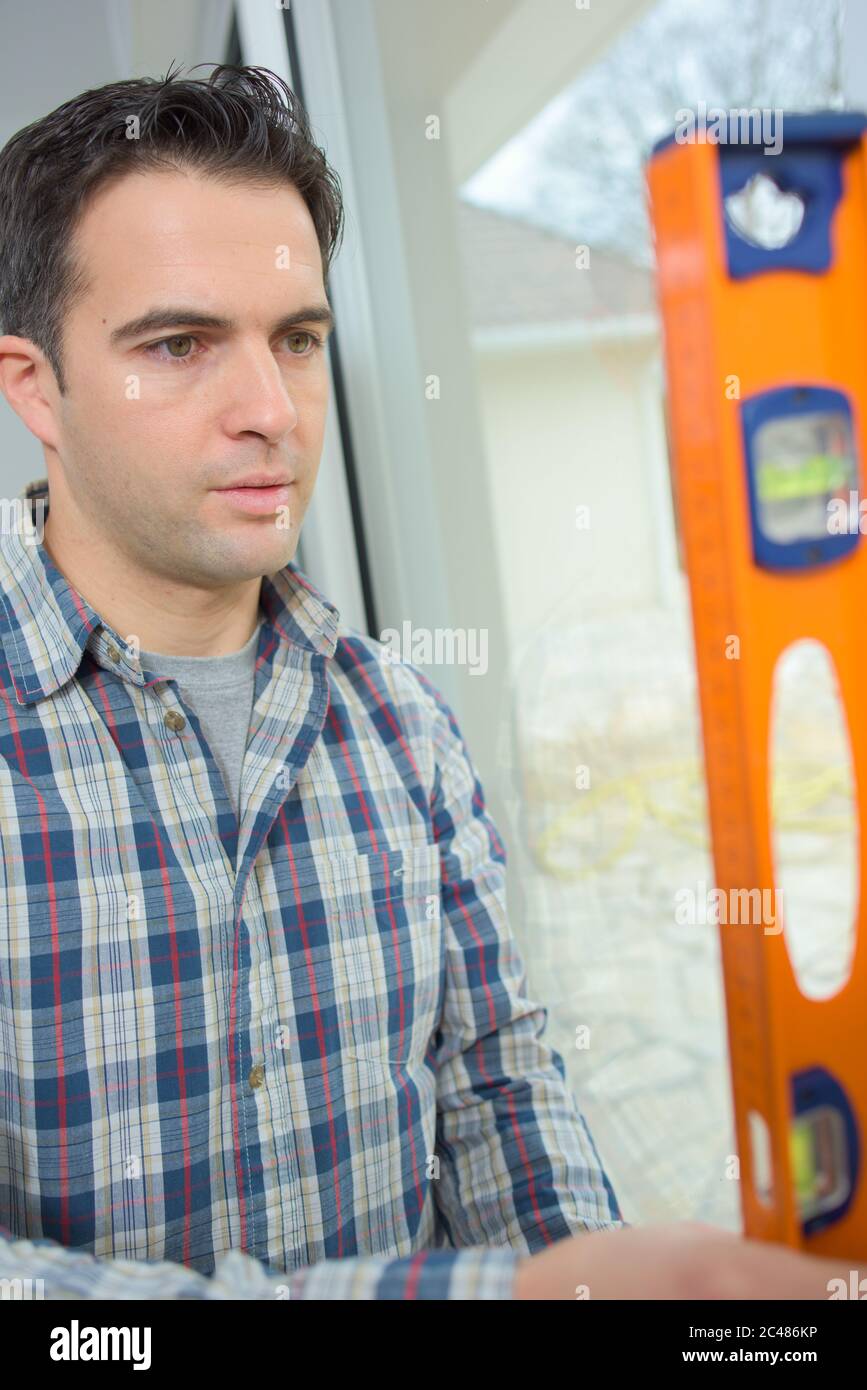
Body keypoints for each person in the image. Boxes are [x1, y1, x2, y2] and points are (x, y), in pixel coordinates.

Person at [0, 63, 857, 1301]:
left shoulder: (402, 725)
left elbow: (497, 1081)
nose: (272, 410)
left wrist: (588, 1282)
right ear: (35, 386)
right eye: (180, 344)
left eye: (296, 339)